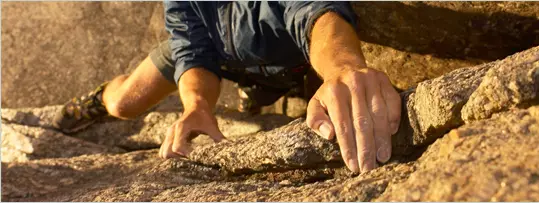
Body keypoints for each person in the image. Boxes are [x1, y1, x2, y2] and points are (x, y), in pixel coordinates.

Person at [52, 1, 401, 174]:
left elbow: (315, 11)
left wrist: (342, 68)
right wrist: (198, 107)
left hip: (288, 54)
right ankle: (98, 99)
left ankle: (263, 91)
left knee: (277, 86)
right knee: (125, 103)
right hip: (220, 53)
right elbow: (191, 47)